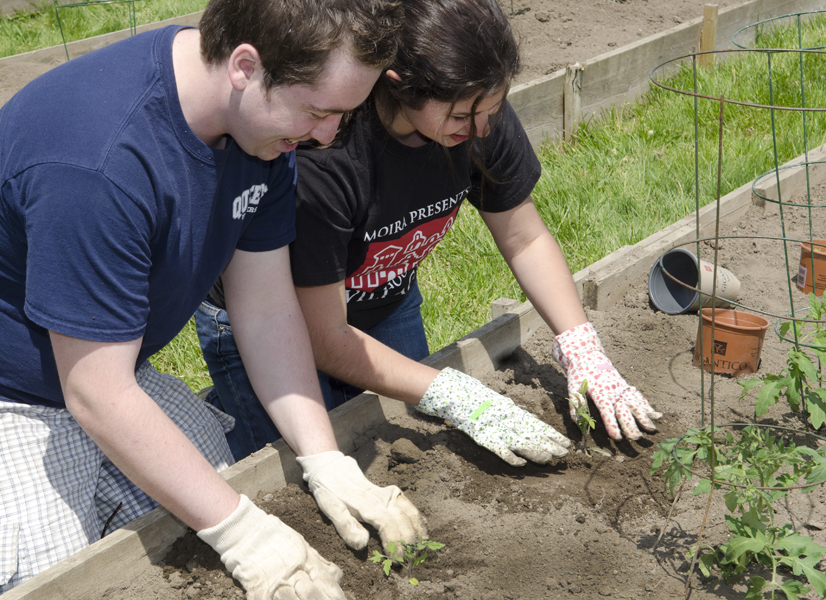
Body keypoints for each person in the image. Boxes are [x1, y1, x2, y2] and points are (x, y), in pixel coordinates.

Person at [0, 1, 428, 597]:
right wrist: (242, 534)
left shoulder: (263, 133)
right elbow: (96, 391)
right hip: (19, 397)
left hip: (114, 363)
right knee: (54, 579)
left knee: (226, 495)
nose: (328, 136)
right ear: (245, 67)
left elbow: (266, 308)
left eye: (343, 116)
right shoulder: (100, 162)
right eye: (319, 111)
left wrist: (325, 457)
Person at [196, 0, 662, 471]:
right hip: (274, 323)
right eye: (461, 117)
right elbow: (322, 334)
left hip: (386, 298)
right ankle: (213, 424)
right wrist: (454, 393)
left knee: (405, 426)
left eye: (492, 109)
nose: (480, 128)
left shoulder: (478, 114)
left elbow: (524, 238)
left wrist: (580, 345)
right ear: (400, 86)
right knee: (287, 467)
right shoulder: (326, 158)